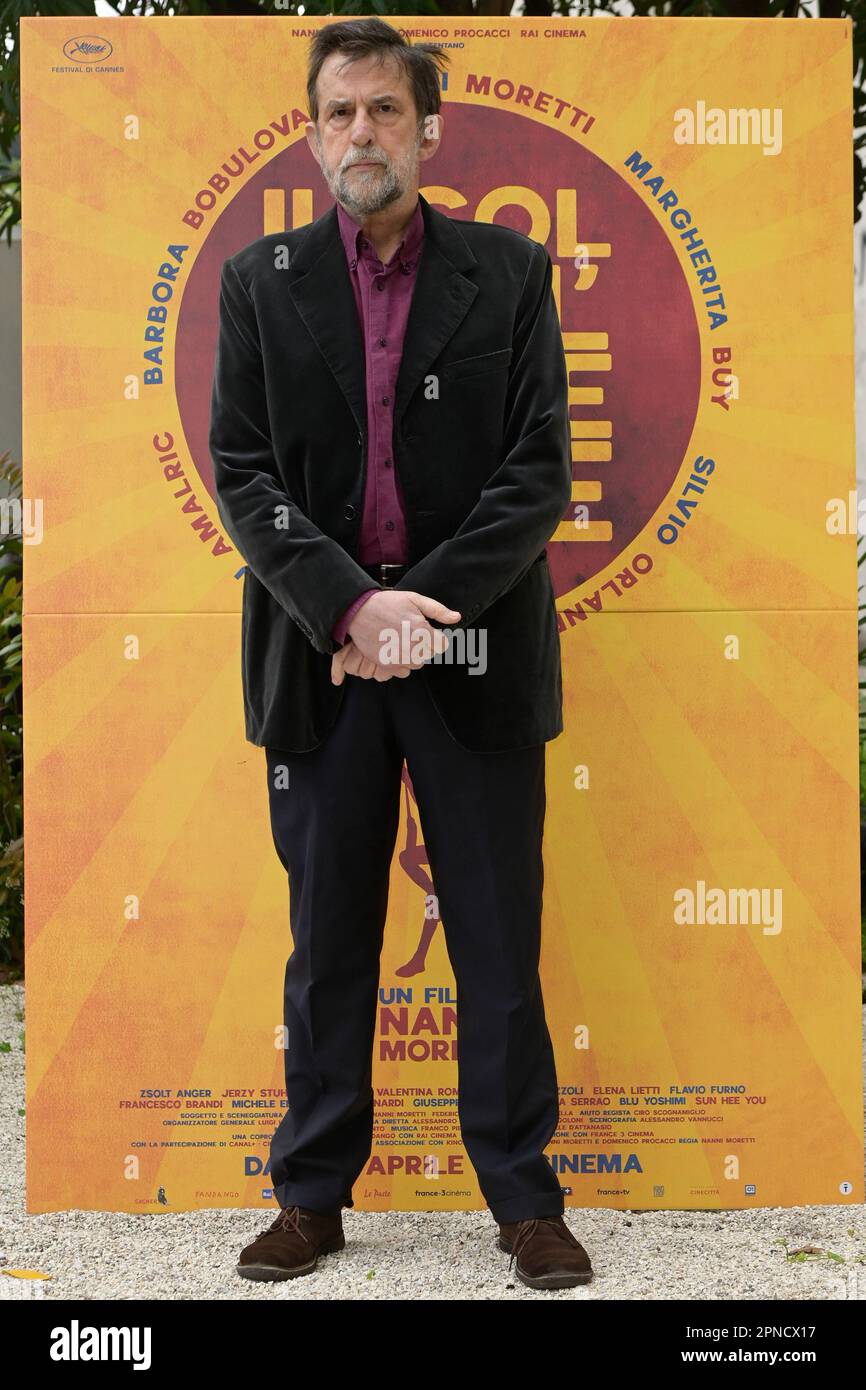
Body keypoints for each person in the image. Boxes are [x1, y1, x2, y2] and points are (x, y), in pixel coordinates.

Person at [209, 16, 593, 1292]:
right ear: (312, 133)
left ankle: (524, 1201)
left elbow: (536, 475)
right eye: (338, 113)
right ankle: (310, 1198)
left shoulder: (509, 272)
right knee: (326, 942)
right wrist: (349, 611)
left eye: (383, 110)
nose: (360, 133)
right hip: (318, 663)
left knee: (495, 932)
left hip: (471, 653)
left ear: (428, 129)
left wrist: (411, 609)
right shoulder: (259, 283)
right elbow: (245, 475)